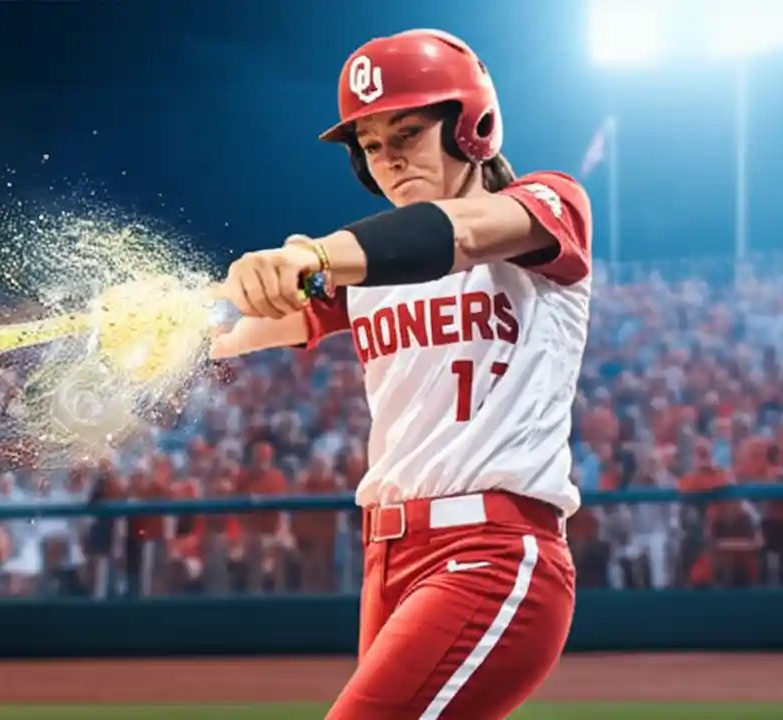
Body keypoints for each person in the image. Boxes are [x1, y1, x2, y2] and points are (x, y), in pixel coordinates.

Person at [213, 29, 590, 719]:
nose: (387, 158)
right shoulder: (364, 271)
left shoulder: (545, 207)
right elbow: (230, 328)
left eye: (408, 132)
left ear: (471, 127)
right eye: (371, 145)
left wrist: (315, 254)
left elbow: (458, 234)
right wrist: (151, 327)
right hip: (388, 560)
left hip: (494, 552)